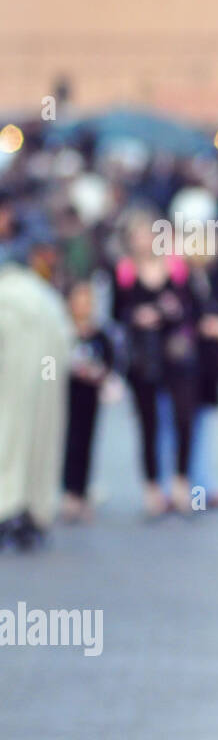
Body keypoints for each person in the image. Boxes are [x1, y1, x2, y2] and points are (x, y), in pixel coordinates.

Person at [112, 211, 202, 517]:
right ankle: (152, 487)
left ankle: (180, 482)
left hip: (176, 353)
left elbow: (195, 309)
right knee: (148, 421)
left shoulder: (177, 269)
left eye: (149, 234)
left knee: (184, 418)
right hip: (143, 356)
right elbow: (115, 314)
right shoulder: (124, 272)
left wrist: (170, 312)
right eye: (138, 235)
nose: (144, 241)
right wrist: (136, 317)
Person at [0, 229, 73, 551]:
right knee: (40, 448)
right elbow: (66, 344)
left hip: (9, 391)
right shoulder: (47, 299)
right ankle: (33, 512)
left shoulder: (6, 295)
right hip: (46, 392)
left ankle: (7, 506)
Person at [61, 280, 116, 522]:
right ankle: (68, 492)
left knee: (85, 444)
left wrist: (98, 373)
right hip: (67, 396)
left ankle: (81, 492)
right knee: (68, 444)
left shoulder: (99, 334)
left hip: (89, 397)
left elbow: (110, 362)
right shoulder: (63, 331)